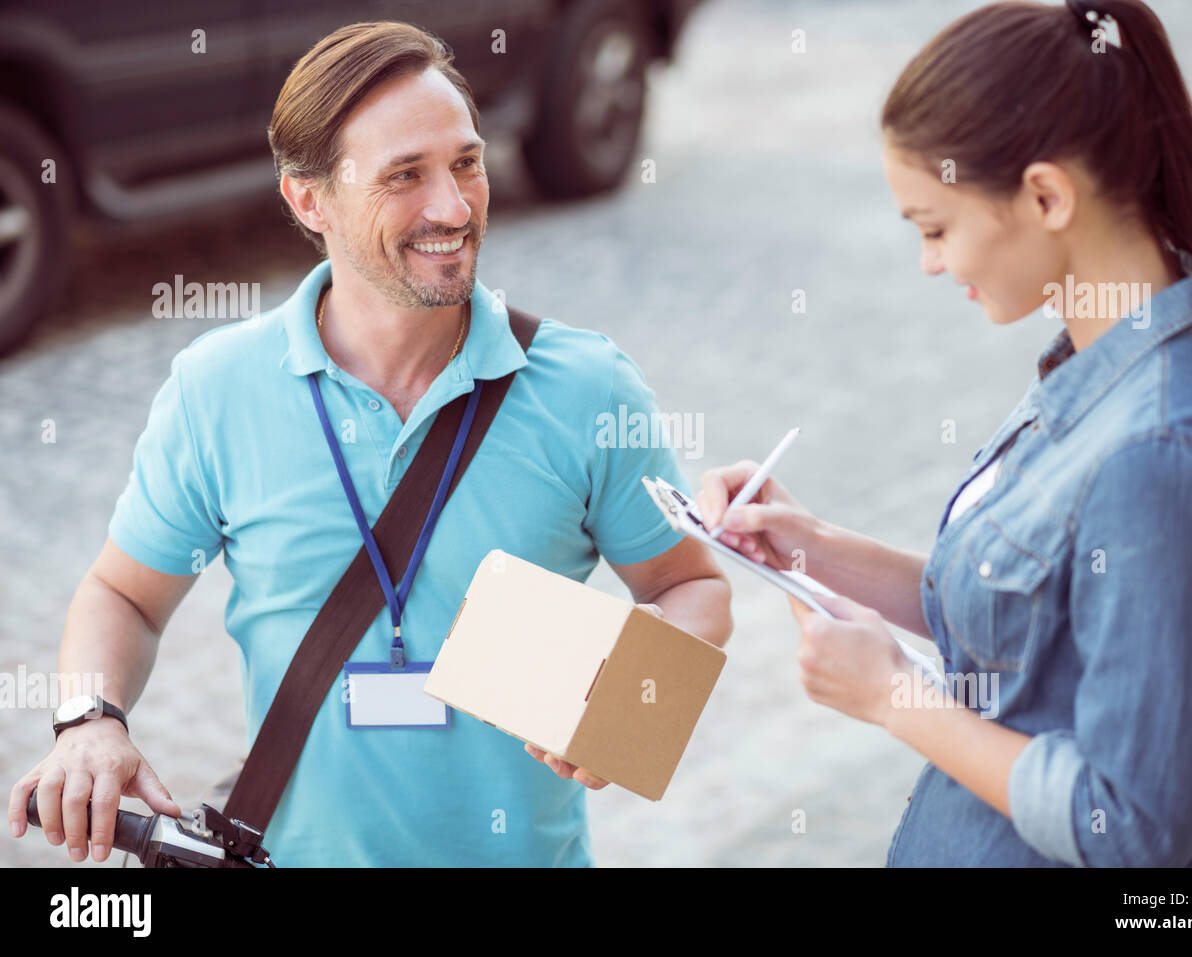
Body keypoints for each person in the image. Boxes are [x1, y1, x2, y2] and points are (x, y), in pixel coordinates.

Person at [8, 21, 731, 867]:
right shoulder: (218, 389)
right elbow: (121, 595)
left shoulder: (588, 388)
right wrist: (89, 719)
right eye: (404, 176)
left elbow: (692, 586)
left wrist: (632, 699)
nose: (454, 207)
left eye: (466, 161)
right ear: (308, 199)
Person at [697, 0, 1192, 866]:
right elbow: (1023, 623)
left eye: (935, 228)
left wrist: (894, 696)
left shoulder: (1156, 448)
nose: (932, 263)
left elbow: (1128, 824)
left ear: (1047, 195)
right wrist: (810, 547)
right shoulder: (1099, 367)